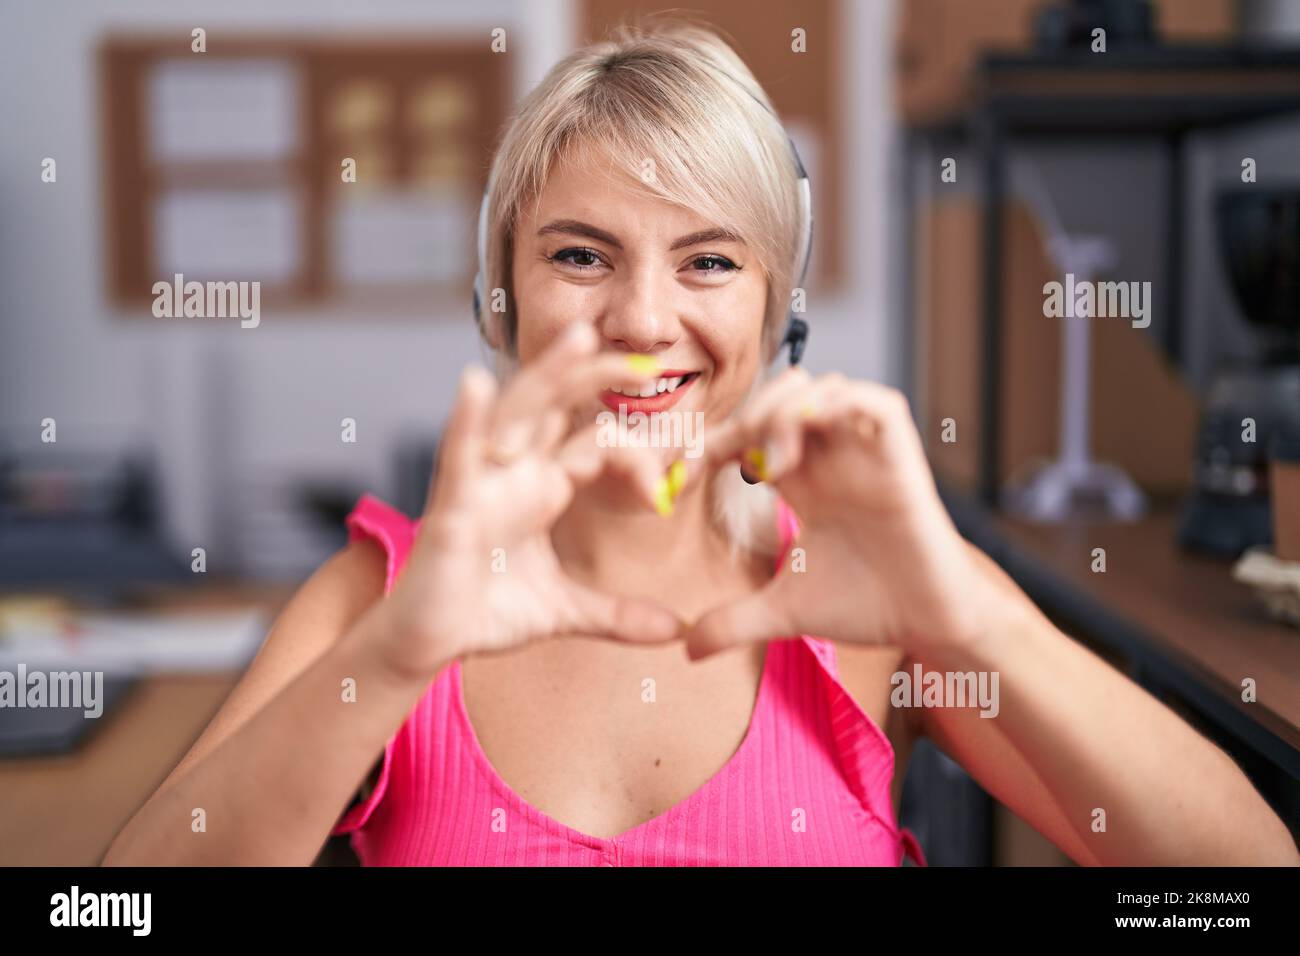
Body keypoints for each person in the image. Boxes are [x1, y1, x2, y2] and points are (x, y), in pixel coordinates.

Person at [103, 20, 1298, 867]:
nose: (641, 318)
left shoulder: (872, 590)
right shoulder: (383, 592)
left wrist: (975, 619)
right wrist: (396, 655)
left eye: (709, 260)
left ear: (779, 313)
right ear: (501, 303)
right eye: (580, 254)